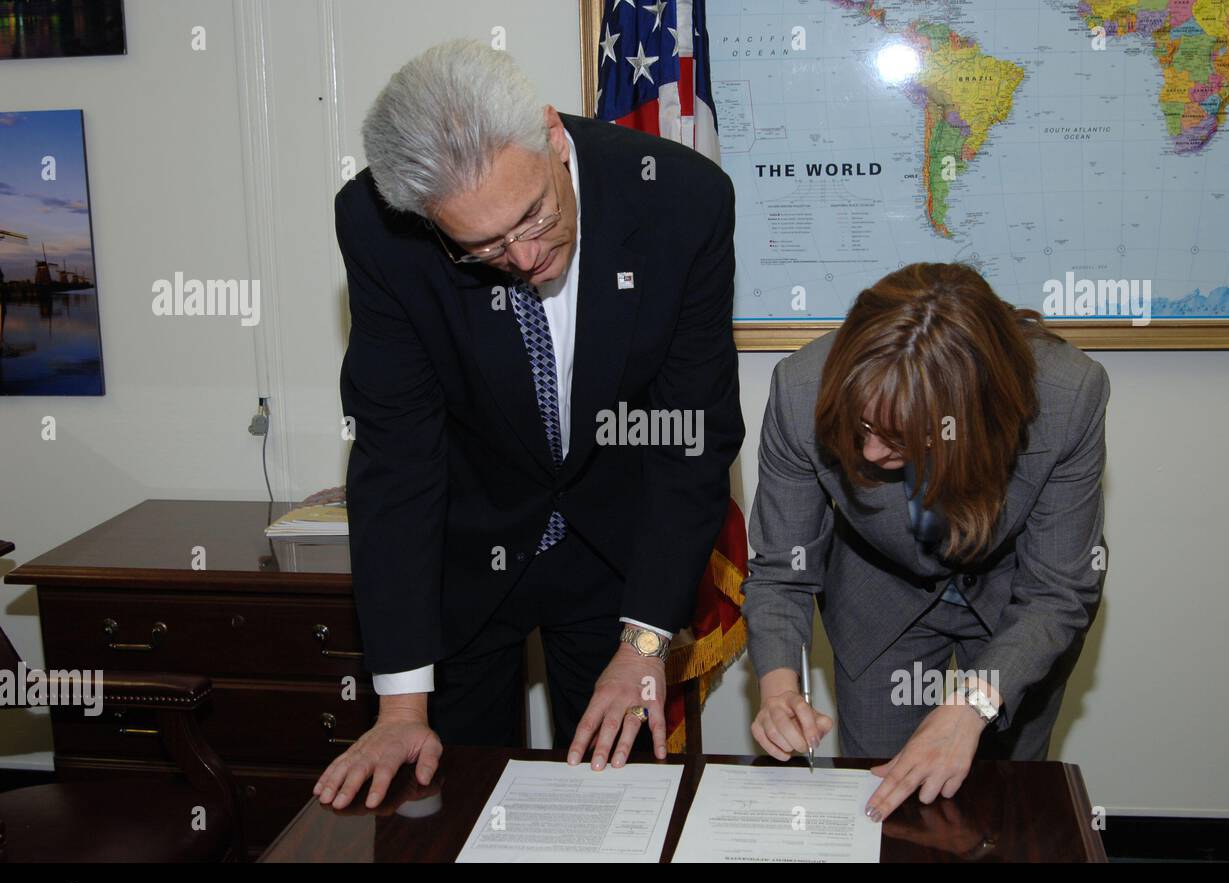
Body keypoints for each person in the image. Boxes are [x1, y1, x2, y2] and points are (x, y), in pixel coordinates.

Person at [315, 40, 742, 809]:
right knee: (445, 800)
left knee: (618, 801)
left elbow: (690, 437)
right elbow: (398, 456)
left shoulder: (681, 201)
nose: (526, 256)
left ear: (550, 133)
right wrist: (402, 706)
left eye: (533, 215)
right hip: (465, 545)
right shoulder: (380, 228)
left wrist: (645, 639)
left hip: (618, 549)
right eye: (480, 247)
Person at [742, 262, 1109, 823]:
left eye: (899, 438)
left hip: (1016, 603)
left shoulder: (1068, 397)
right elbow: (780, 570)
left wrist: (972, 705)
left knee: (1004, 806)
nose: (867, 456)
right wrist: (778, 687)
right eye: (862, 428)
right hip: (880, 598)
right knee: (886, 805)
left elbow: (1057, 591)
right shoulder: (799, 390)